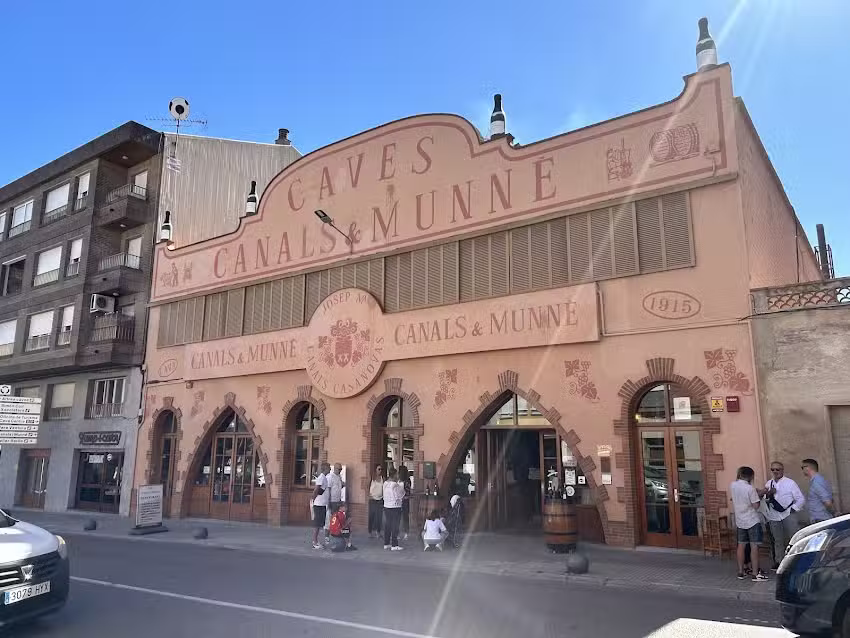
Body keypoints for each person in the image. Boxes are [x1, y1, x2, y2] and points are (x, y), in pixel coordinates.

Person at [764, 461, 805, 569]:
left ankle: (795, 561)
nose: (775, 472)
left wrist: (793, 509)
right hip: (774, 516)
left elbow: (800, 498)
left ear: (782, 470)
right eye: (773, 469)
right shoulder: (768, 484)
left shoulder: (790, 483)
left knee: (793, 538)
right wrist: (768, 495)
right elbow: (765, 500)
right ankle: (779, 561)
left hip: (788, 514)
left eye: (778, 469)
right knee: (778, 540)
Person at [730, 466, 768, 582]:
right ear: (751, 476)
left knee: (741, 545)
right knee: (754, 546)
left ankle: (741, 571)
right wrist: (760, 495)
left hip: (740, 520)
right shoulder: (750, 489)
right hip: (752, 520)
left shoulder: (733, 485)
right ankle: (755, 573)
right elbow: (756, 505)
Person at [801, 458, 837, 524]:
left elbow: (828, 502)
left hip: (821, 519)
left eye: (802, 467)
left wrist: (834, 513)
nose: (802, 470)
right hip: (820, 518)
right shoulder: (818, 480)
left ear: (807, 468)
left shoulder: (817, 481)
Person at [382, 468, 405, 551]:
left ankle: (386, 543)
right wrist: (402, 488)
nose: (398, 476)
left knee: (388, 525)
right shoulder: (395, 485)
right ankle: (394, 545)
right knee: (395, 526)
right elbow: (399, 495)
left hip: (387, 506)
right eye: (397, 474)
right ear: (394, 475)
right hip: (395, 507)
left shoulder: (385, 483)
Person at [311, 463, 330, 550]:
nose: (330, 468)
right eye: (329, 467)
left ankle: (317, 541)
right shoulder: (321, 478)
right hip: (318, 504)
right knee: (317, 524)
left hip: (322, 504)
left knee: (319, 524)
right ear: (325, 468)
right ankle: (314, 542)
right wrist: (313, 500)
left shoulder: (325, 478)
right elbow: (316, 490)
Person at [368, 465, 384, 539]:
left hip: (380, 500)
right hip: (373, 500)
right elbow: (367, 486)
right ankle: (370, 532)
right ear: (375, 470)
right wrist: (369, 495)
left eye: (381, 469)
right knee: (372, 516)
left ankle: (378, 532)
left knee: (379, 517)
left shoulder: (382, 478)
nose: (380, 471)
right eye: (379, 469)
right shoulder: (372, 478)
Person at [399, 465, 411, 540]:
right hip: (399, 501)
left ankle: (406, 533)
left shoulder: (407, 481)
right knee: (400, 517)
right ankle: (399, 532)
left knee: (405, 517)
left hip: (404, 501)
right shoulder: (399, 480)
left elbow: (408, 492)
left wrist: (403, 497)